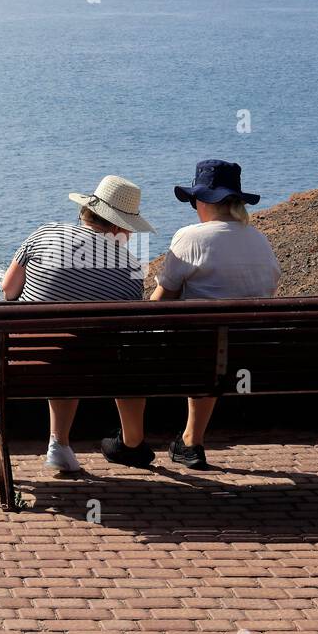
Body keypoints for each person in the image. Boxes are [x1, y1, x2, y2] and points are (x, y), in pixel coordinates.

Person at [0, 175, 154, 476]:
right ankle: (59, 447)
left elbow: (9, 289)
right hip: (88, 368)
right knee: (71, 350)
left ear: (88, 212)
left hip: (20, 360)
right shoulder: (133, 267)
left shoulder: (46, 233)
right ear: (120, 226)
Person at [101, 159, 280, 470]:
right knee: (214, 345)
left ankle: (131, 444)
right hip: (251, 354)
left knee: (128, 350)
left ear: (202, 201)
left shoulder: (191, 236)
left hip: (198, 355)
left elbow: (159, 302)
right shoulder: (260, 240)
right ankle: (190, 443)